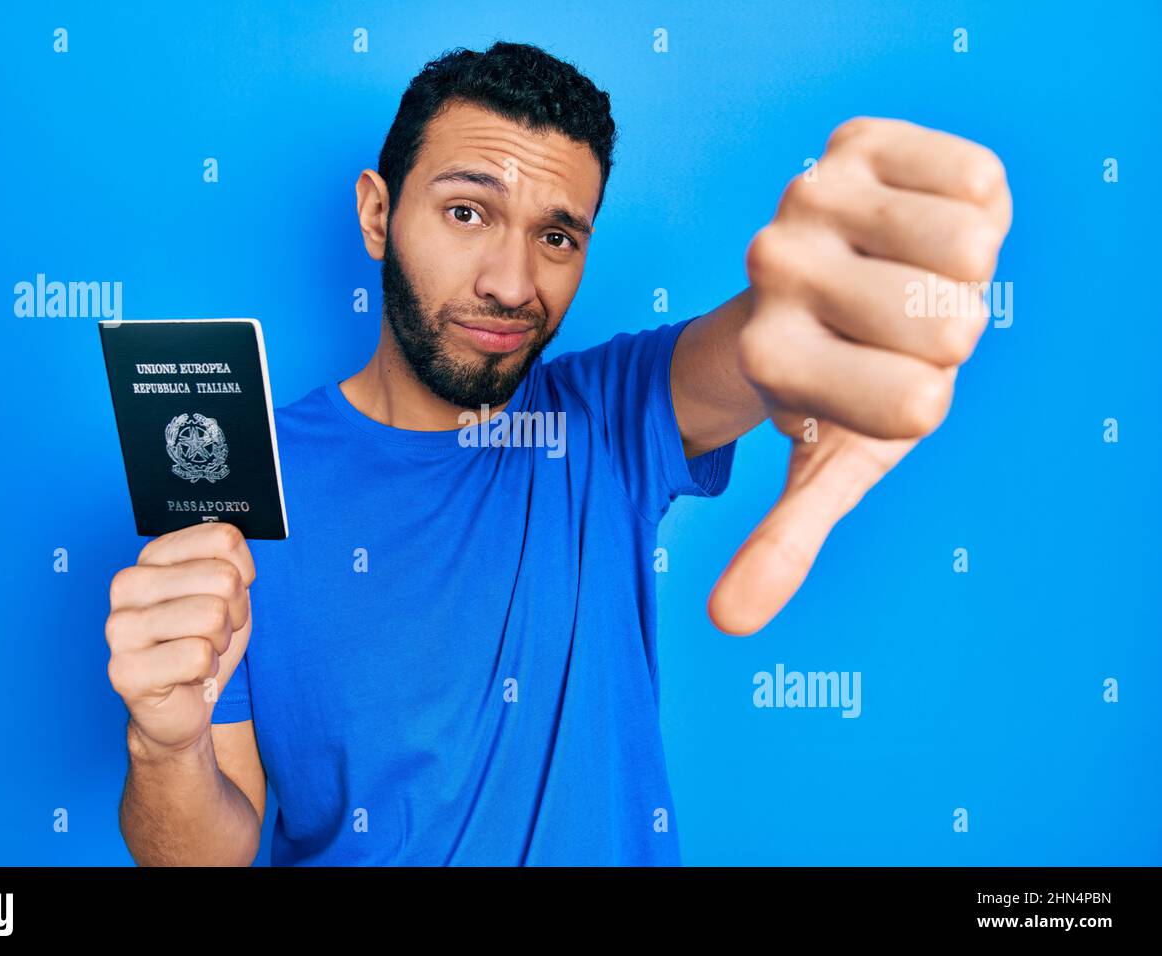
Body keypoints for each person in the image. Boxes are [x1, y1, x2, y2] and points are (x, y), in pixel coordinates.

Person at [104, 41, 1011, 865]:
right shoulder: (240, 482)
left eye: (556, 237)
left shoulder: (608, 415)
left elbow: (760, 346)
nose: (509, 283)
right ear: (378, 215)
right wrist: (164, 745)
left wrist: (851, 293)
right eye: (467, 212)